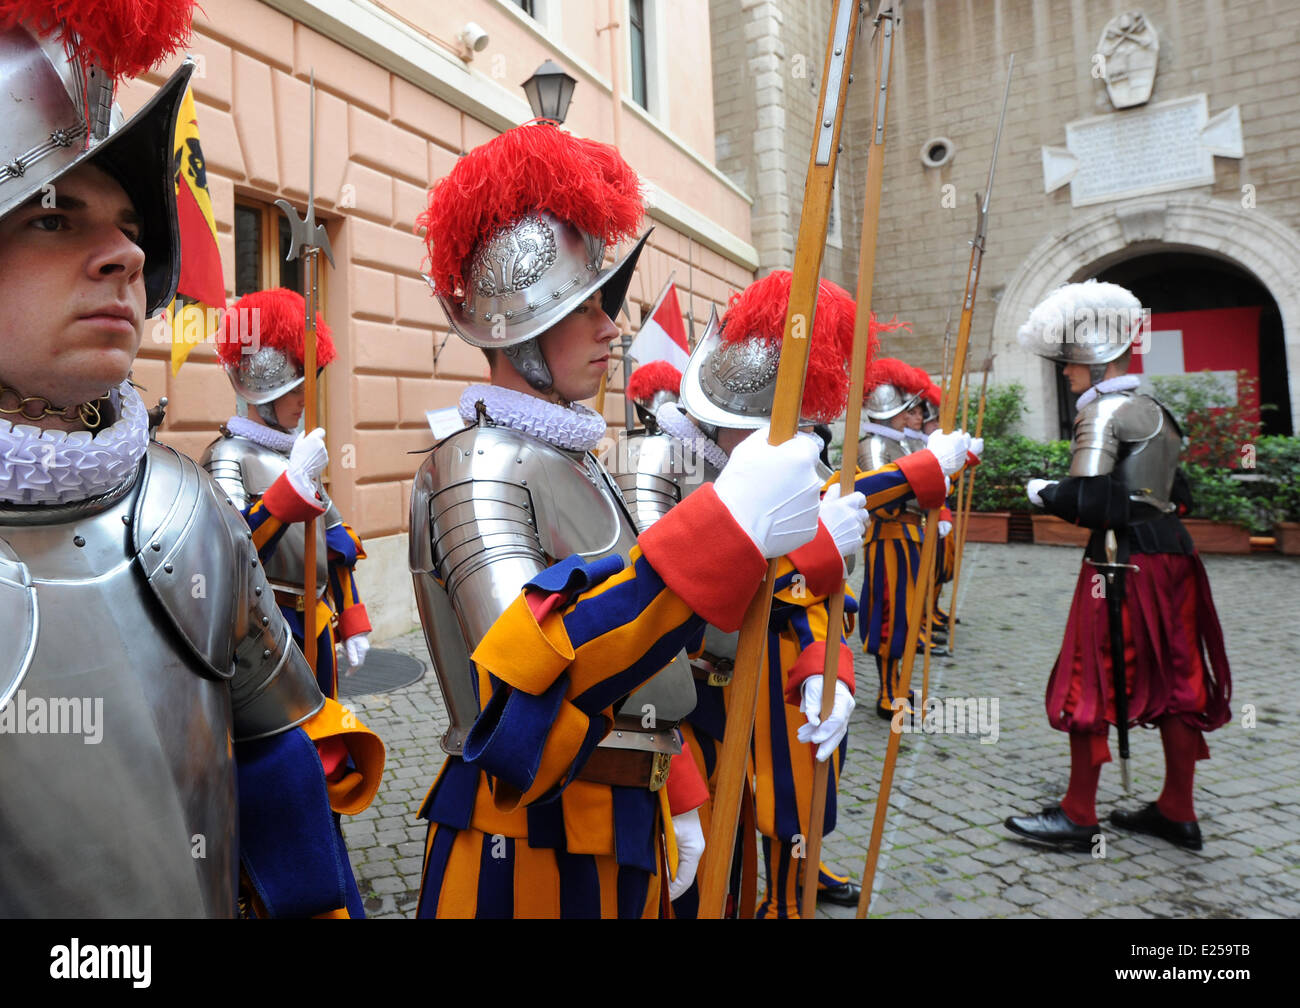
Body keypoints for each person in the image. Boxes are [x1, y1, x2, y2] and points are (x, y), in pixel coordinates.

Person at [0, 2, 382, 916]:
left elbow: (276, 781)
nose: (127, 253)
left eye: (132, 222)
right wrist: (283, 499)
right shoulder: (218, 478)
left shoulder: (178, 509)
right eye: (55, 217)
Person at [408, 122, 833, 917]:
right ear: (521, 329)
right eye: (591, 307)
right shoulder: (476, 466)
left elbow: (655, 654)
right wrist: (726, 528)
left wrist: (676, 786)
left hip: (619, 809)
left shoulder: (574, 453)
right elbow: (528, 679)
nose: (616, 327)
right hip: (527, 832)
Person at [616, 275, 970, 916]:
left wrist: (825, 666)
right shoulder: (658, 468)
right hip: (686, 702)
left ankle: (785, 899)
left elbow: (807, 593)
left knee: (793, 800)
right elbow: (662, 601)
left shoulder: (772, 465)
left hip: (768, 678)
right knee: (699, 878)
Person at [1005, 280, 1231, 851]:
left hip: (1121, 563)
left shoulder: (1104, 410)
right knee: (1181, 680)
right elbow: (1180, 495)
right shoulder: (1156, 409)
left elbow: (1095, 503)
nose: (1064, 374)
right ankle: (1177, 809)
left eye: (1069, 365)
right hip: (1173, 555)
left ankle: (1079, 815)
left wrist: (1043, 491)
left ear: (1094, 363)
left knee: (1088, 677)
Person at [203, 287, 371, 700]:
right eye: (294, 390)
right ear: (265, 392)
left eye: (306, 385)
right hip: (263, 630)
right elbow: (235, 547)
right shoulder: (228, 455)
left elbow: (335, 542)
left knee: (330, 744)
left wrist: (350, 618)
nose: (304, 400)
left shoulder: (299, 454)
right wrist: (294, 484)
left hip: (316, 622)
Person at [857, 357, 932, 718]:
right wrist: (924, 486)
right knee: (890, 616)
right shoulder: (873, 446)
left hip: (908, 538)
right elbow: (882, 500)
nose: (909, 416)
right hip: (888, 540)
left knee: (908, 615)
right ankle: (888, 693)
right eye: (903, 410)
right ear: (887, 412)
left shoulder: (898, 445)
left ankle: (899, 684)